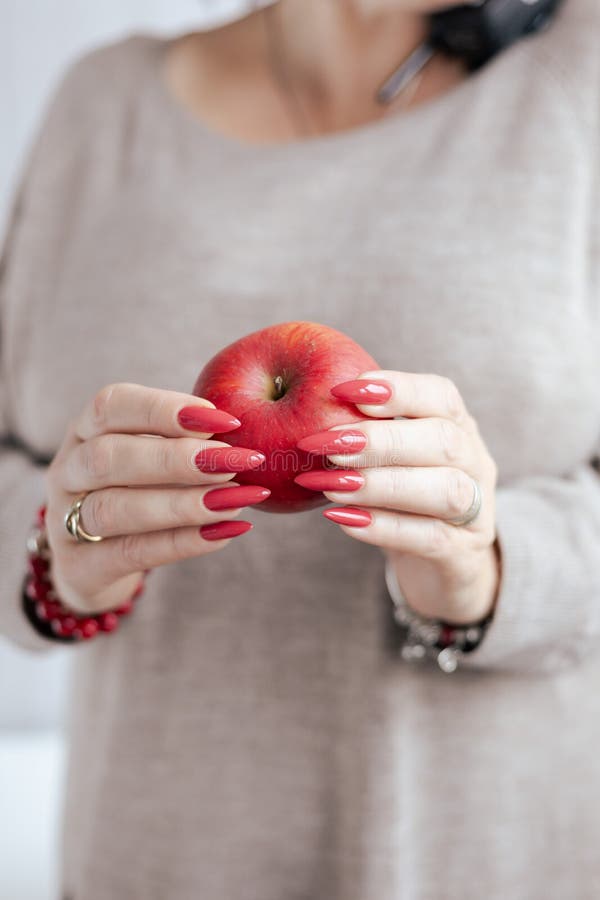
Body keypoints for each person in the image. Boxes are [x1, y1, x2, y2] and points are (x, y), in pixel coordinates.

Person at [1, 0, 599, 896]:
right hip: (152, 864)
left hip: (493, 862)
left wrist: (491, 570)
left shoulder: (580, 81)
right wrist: (60, 555)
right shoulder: (104, 106)